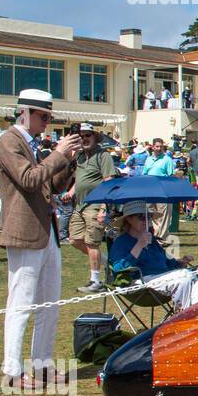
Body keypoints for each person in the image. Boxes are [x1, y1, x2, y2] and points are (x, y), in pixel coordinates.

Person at [0, 89, 81, 388]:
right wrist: (57, 155)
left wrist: (68, 161)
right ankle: (12, 370)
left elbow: (51, 187)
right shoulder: (9, 141)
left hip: (47, 232)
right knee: (21, 302)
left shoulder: (31, 145)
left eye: (49, 117)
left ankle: (42, 365)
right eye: (43, 116)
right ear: (25, 113)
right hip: (25, 231)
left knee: (49, 304)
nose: (46, 122)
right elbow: (29, 180)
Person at [64, 123, 115, 293]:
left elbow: (109, 182)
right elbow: (80, 180)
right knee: (75, 240)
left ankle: (95, 281)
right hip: (79, 205)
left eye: (88, 135)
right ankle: (107, 262)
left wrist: (104, 208)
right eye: (82, 136)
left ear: (95, 137)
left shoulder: (103, 156)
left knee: (91, 242)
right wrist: (70, 192)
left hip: (95, 205)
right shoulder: (79, 156)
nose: (84, 138)